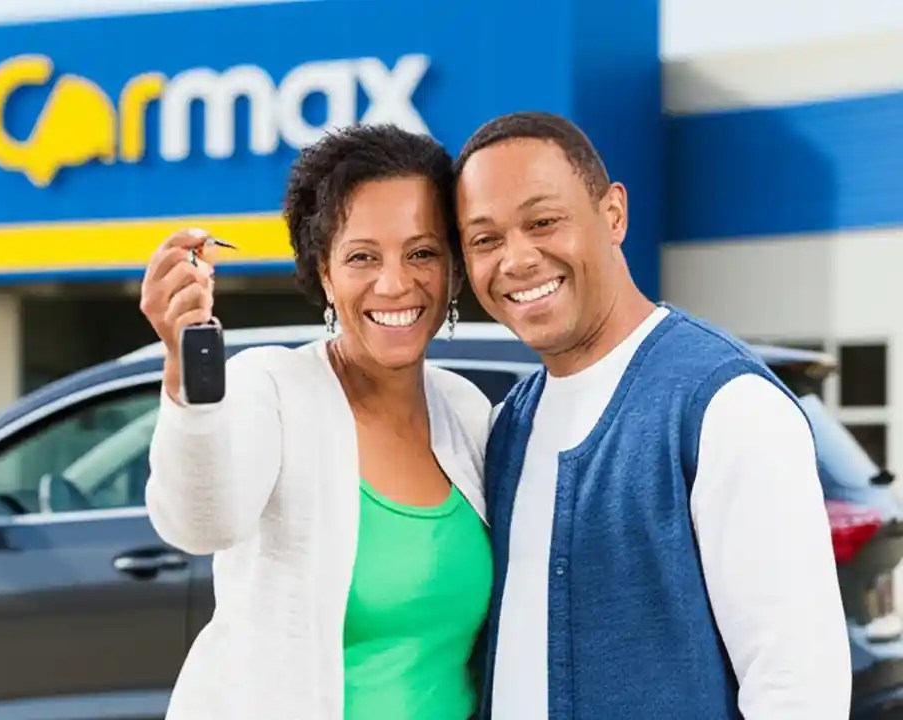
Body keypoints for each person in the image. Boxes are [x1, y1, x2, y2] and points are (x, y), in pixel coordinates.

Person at [454, 110, 852, 719]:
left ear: (613, 214)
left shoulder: (726, 408)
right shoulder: (510, 424)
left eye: (543, 221)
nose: (517, 259)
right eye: (485, 239)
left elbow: (798, 691)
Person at [139, 124, 495, 719]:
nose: (395, 283)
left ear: (453, 269)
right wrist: (184, 365)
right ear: (324, 272)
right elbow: (200, 523)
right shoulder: (274, 387)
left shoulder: (466, 411)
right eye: (362, 257)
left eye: (422, 253)